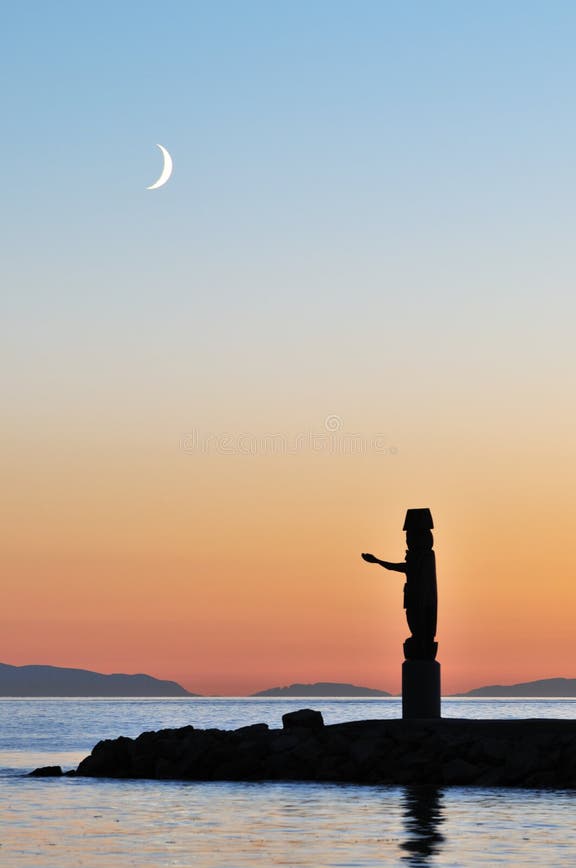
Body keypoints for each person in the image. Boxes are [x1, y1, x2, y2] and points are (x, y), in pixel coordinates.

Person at [362, 526, 437, 660]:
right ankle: (419, 639)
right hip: (413, 597)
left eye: (410, 538)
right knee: (413, 621)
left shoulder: (424, 556)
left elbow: (404, 568)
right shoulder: (420, 556)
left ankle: (420, 641)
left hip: (419, 599)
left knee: (417, 622)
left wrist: (378, 561)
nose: (408, 541)